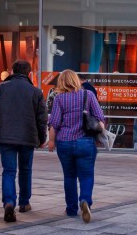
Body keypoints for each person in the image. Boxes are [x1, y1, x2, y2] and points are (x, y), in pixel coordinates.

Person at [0, 60, 47, 223]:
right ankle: (24, 203)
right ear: (28, 73)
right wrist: (42, 138)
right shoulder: (36, 92)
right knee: (26, 169)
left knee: (8, 171)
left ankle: (9, 202)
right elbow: (42, 119)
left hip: (5, 136)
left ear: (12, 71)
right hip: (28, 137)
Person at [46, 69, 105, 223]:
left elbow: (55, 123)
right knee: (86, 175)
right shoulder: (88, 95)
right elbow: (100, 118)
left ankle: (71, 209)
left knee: (69, 176)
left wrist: (51, 141)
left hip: (64, 142)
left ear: (61, 82)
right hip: (85, 142)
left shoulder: (59, 98)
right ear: (76, 80)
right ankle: (85, 201)